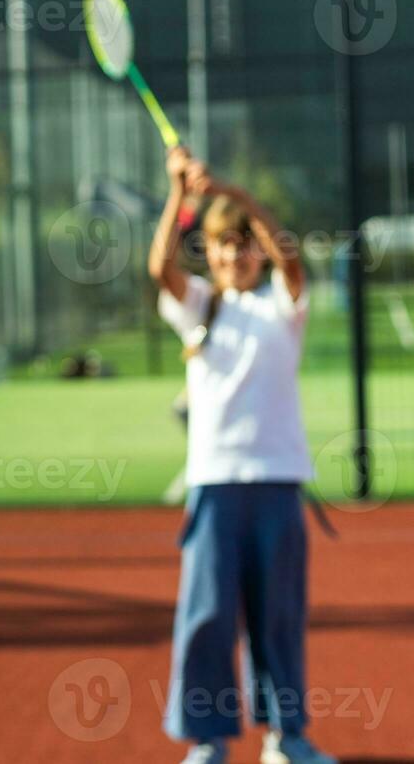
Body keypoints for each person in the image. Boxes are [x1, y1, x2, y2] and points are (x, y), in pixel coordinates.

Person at [148, 147, 335, 764]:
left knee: (277, 618)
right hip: (215, 487)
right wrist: (180, 193)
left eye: (243, 242)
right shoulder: (199, 305)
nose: (234, 254)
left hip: (279, 485)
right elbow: (159, 267)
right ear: (211, 250)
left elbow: (290, 255)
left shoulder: (284, 306)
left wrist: (232, 191)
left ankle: (287, 738)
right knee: (206, 617)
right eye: (222, 244)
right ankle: (209, 741)